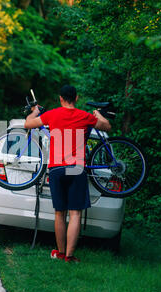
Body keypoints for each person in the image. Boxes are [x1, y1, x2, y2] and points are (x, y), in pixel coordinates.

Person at [24, 85, 111, 262]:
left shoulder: (52, 114)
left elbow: (28, 124)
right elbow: (107, 127)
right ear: (76, 98)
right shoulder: (84, 116)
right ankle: (69, 256)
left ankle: (60, 252)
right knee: (75, 214)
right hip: (76, 168)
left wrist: (35, 111)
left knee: (59, 213)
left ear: (61, 98)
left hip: (56, 168)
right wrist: (98, 114)